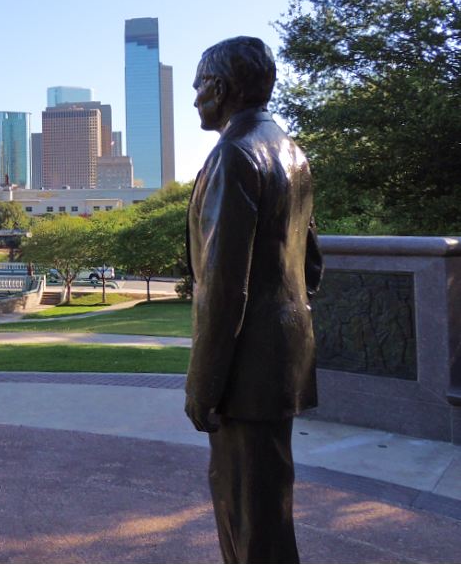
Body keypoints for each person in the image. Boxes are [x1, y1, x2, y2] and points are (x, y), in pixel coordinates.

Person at [184, 36, 322, 564]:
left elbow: (223, 286)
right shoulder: (292, 152)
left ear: (220, 88)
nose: (197, 97)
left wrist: (204, 384)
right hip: (282, 357)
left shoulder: (234, 155)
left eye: (200, 86)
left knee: (246, 514)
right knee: (267, 504)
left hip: (244, 369)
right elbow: (309, 265)